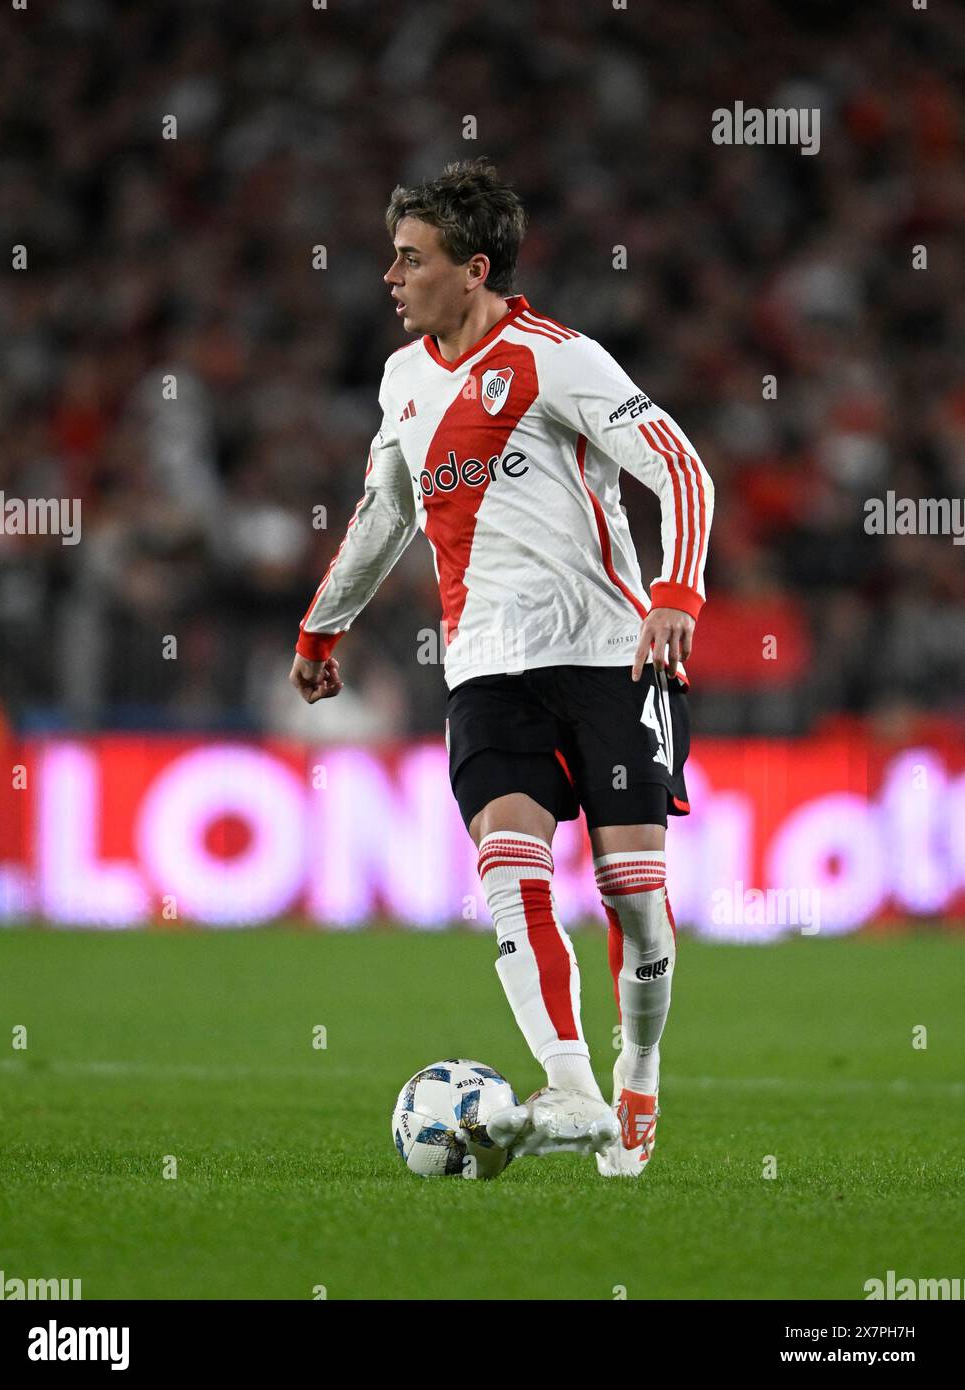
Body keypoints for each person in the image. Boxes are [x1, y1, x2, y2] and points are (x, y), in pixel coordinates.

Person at [290, 158, 714, 1177]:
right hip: (486, 669)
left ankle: (638, 1069)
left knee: (632, 897)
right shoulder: (401, 383)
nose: (390, 279)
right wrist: (321, 628)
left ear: (473, 269)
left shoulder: (560, 360)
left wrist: (676, 595)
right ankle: (569, 1084)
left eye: (411, 260)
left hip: (611, 658)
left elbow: (682, 468)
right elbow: (386, 514)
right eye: (392, 259)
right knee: (509, 866)